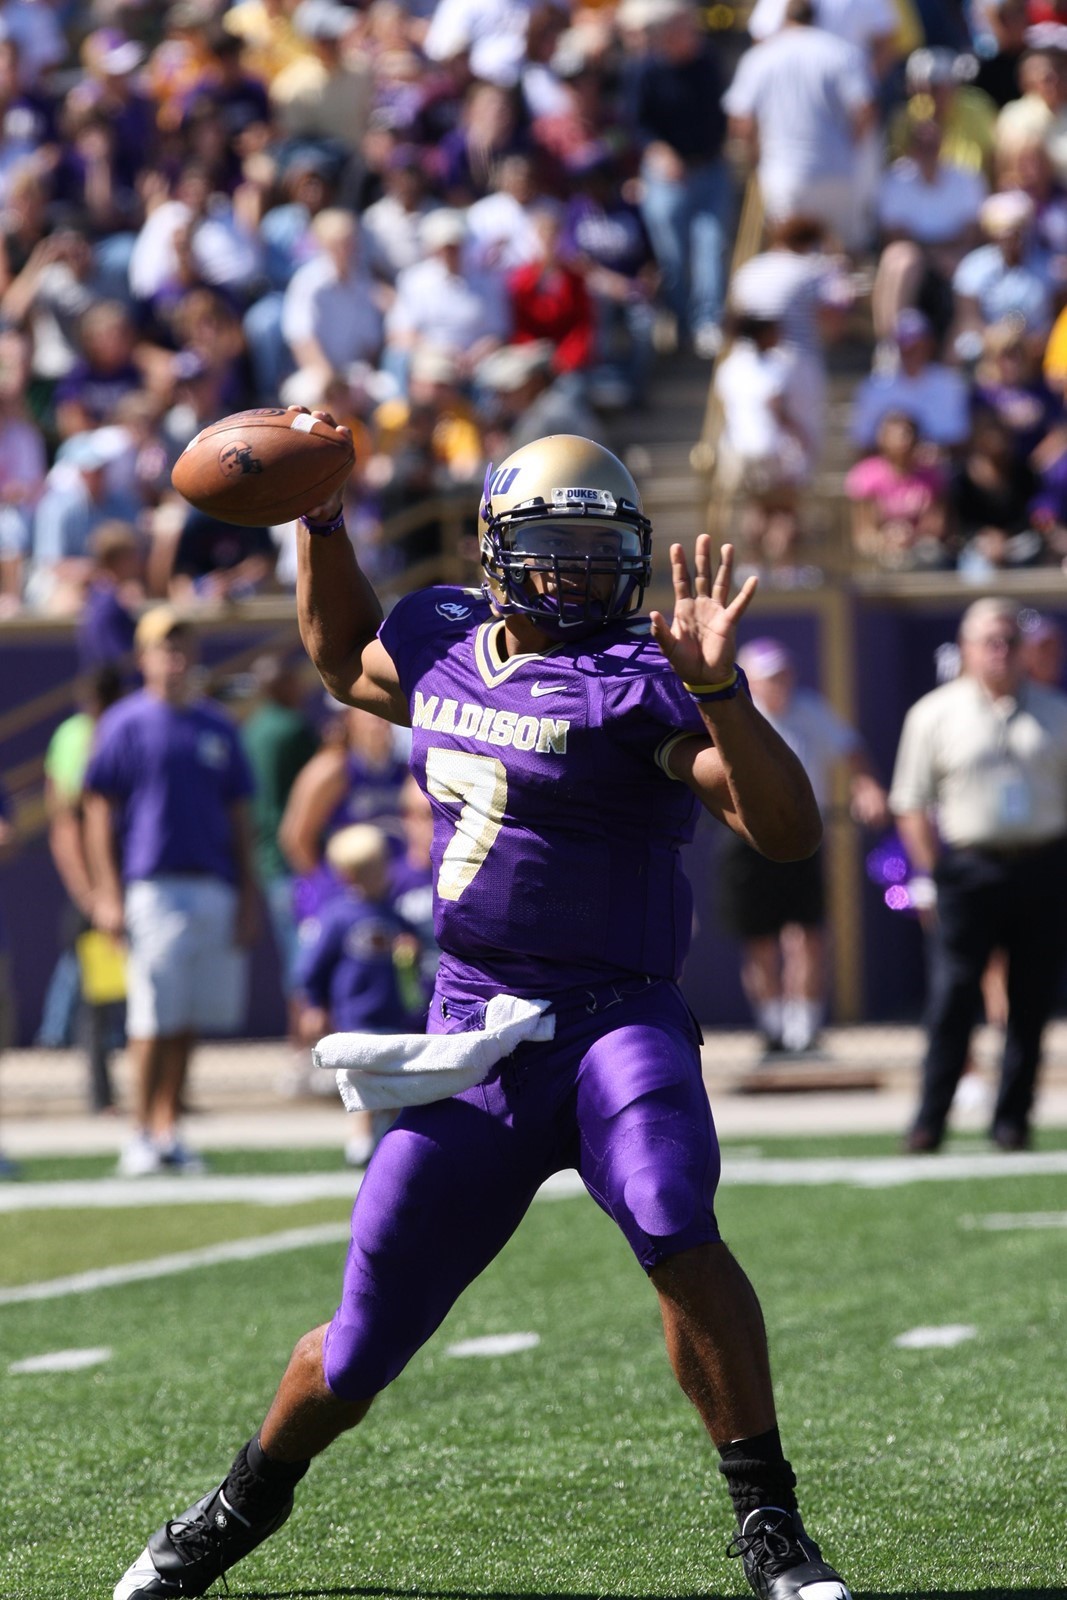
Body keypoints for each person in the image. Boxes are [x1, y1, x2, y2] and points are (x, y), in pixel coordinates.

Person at [114, 424, 853, 1600]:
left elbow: (785, 831)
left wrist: (719, 692)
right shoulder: (442, 636)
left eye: (594, 549)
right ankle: (240, 1499)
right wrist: (320, 519)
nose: (574, 573)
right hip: (472, 1036)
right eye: (549, 549)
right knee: (359, 1341)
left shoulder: (643, 677)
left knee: (671, 1211)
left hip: (615, 1019)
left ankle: (768, 1521)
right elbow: (340, 659)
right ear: (497, 552)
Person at [84, 606, 260, 1177]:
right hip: (152, 886)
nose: (176, 657)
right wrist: (107, 894)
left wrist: (249, 893)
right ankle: (139, 1130)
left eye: (183, 645)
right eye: (165, 647)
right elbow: (95, 811)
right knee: (150, 1016)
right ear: (144, 658)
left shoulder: (216, 725)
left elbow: (240, 817)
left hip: (212, 885)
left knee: (187, 1017)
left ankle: (168, 1128)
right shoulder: (125, 723)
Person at [889, 596, 1067, 1152]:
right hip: (968, 870)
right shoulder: (934, 714)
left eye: (1010, 640)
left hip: (1042, 863)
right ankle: (930, 1120)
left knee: (1031, 999)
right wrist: (934, 870)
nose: (1000, 650)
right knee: (953, 997)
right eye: (988, 640)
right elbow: (911, 802)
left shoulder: (1056, 712)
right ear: (965, 649)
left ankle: (1012, 1119)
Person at [717, 637, 889, 1059]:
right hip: (744, 839)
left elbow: (851, 752)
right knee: (759, 939)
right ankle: (773, 1031)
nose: (780, 684)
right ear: (750, 680)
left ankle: (803, 1031)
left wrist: (866, 787)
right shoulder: (734, 715)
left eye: (783, 674)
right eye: (769, 677)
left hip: (799, 837)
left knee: (807, 935)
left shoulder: (810, 709)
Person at [293, 822, 425, 1168]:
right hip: (357, 1018)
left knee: (394, 1080)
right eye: (373, 868)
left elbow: (412, 959)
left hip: (393, 1015)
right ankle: (361, 1137)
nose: (384, 873)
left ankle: (390, 1135)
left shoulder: (394, 915)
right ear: (350, 875)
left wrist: (410, 952)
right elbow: (312, 967)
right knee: (364, 1080)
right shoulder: (337, 916)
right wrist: (313, 1003)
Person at [44, 662, 128, 1115]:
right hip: (99, 891)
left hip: (130, 882)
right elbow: (66, 823)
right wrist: (89, 892)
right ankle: (102, 1095)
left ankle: (158, 1093)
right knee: (97, 996)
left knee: (147, 998)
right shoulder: (76, 738)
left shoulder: (124, 728)